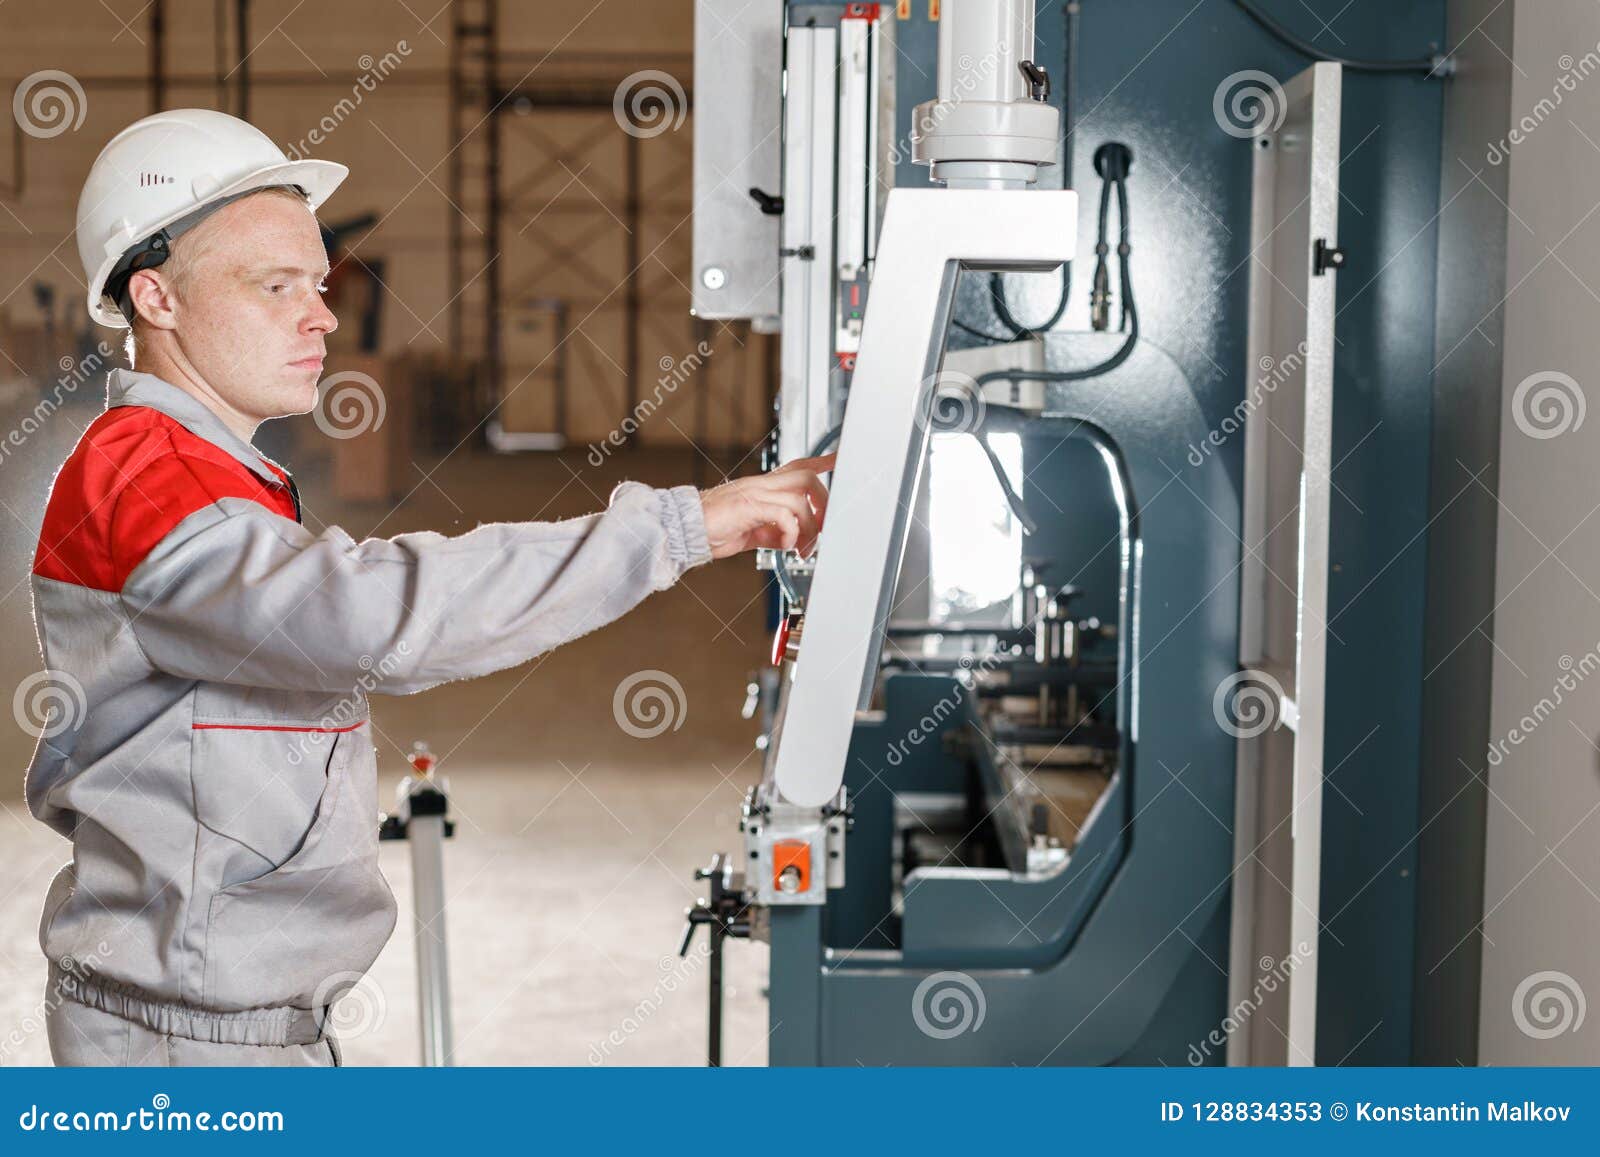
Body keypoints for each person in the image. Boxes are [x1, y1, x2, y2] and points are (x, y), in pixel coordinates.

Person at [27, 109, 831, 1067]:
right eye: (275, 285)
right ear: (155, 297)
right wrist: (686, 526)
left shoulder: (209, 469)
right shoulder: (145, 474)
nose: (321, 316)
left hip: (234, 1022)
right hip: (180, 1047)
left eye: (317, 284)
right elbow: (372, 614)